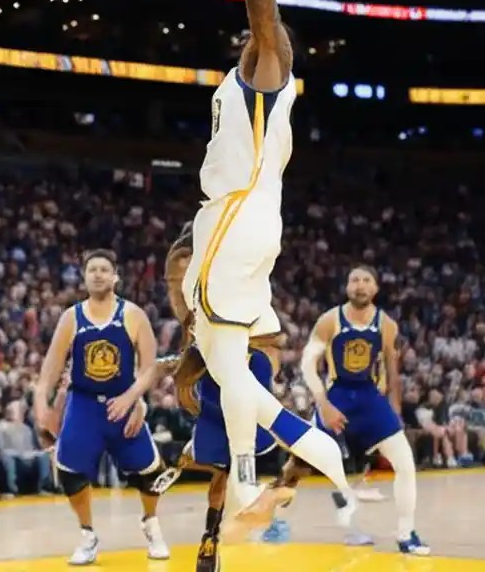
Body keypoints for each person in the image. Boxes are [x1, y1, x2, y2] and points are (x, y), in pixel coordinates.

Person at [179, 0, 354, 535]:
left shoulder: (268, 67)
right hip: (249, 225)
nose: (262, 27)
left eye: (270, 27)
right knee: (231, 375)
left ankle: (312, 460)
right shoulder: (250, 91)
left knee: (224, 359)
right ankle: (275, 479)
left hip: (235, 220)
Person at [157, 226, 367, 571]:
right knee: (231, 457)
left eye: (185, 276)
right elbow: (199, 350)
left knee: (237, 459)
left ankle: (236, 516)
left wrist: (190, 370)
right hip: (221, 379)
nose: (179, 288)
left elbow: (268, 341)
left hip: (243, 365)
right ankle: (267, 494)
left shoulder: (229, 286)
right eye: (174, 281)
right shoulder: (192, 302)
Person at [34, 249, 170, 565]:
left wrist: (134, 400)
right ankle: (88, 535)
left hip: (123, 401)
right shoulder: (71, 317)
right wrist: (42, 407)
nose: (97, 274)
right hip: (84, 405)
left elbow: (150, 368)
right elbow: (48, 373)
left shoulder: (133, 314)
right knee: (69, 471)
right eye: (92, 269)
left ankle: (151, 523)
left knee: (150, 470)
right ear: (84, 277)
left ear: (115, 276)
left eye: (104, 269)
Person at [301, 266, 430, 555]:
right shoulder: (329, 320)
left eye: (366, 280)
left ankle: (406, 533)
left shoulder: (386, 324)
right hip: (336, 397)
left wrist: (393, 409)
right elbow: (307, 364)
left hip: (369, 399)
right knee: (305, 466)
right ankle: (273, 519)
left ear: (375, 288)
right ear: (347, 287)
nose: (360, 285)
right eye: (354, 280)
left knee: (406, 464)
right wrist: (323, 404)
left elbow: (392, 369)